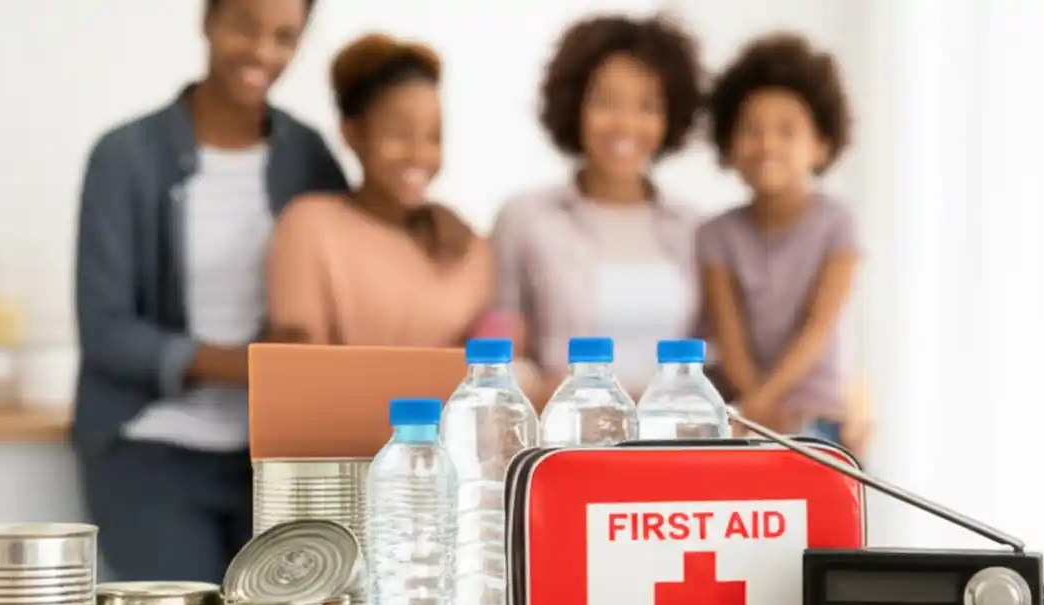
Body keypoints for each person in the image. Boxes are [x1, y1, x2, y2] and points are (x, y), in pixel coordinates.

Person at [73, 0, 347, 583]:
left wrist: (427, 222)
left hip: (274, 459)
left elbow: (356, 258)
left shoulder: (309, 156)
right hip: (150, 448)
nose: (260, 52)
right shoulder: (124, 157)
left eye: (283, 36)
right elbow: (105, 331)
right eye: (243, 26)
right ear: (208, 21)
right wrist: (252, 365)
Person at [487, 15, 706, 402]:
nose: (625, 123)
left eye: (647, 106)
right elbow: (497, 351)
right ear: (575, 107)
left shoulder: (695, 228)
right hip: (566, 439)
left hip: (672, 441)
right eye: (606, 102)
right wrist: (536, 389)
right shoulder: (526, 218)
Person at [268, 34, 491, 347]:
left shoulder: (468, 248)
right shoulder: (309, 226)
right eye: (399, 134)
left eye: (433, 136)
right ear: (352, 133)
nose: (418, 154)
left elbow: (489, 371)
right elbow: (299, 367)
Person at [698, 33, 861, 446]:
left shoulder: (838, 223)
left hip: (817, 414)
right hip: (744, 410)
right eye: (751, 130)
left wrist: (764, 403)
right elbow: (728, 336)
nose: (767, 144)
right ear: (729, 145)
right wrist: (755, 407)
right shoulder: (716, 234)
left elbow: (818, 326)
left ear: (820, 145)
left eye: (787, 130)